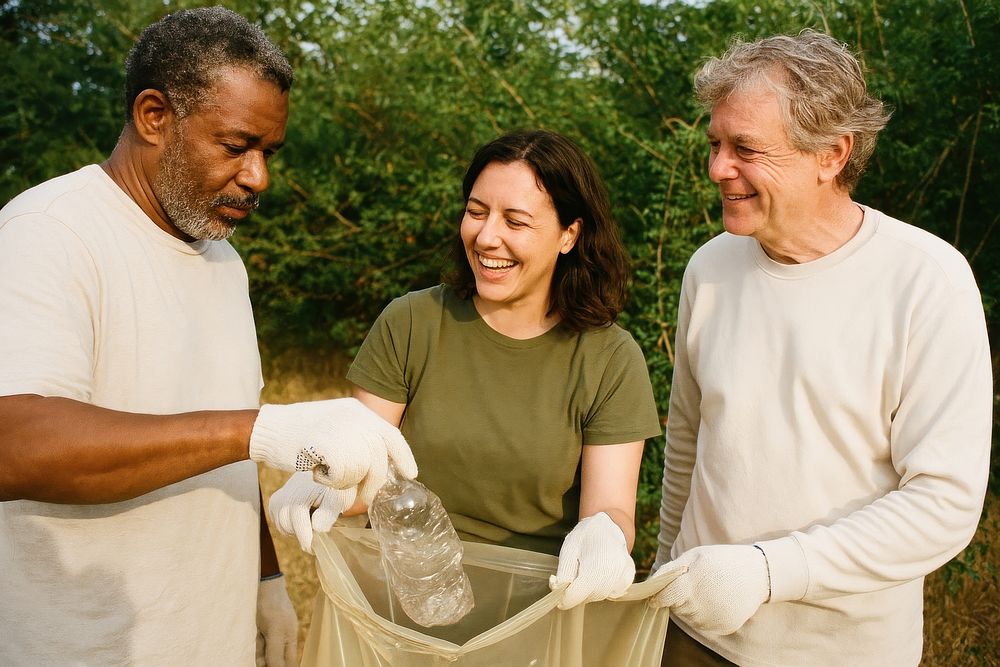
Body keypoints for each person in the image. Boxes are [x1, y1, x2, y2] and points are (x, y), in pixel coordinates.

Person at [0, 7, 416, 666]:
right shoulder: (49, 233)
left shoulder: (225, 261)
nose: (259, 178)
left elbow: (230, 457)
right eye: (236, 146)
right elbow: (13, 442)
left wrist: (266, 579)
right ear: (153, 116)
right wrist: (259, 427)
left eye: (268, 152)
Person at [648, 30, 992, 666]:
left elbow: (942, 506)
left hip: (841, 652)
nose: (718, 167)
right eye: (716, 144)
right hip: (695, 636)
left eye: (745, 148)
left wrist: (766, 572)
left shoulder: (926, 280)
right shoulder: (711, 267)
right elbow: (689, 441)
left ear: (831, 154)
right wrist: (666, 567)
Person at [269, 128, 662, 609]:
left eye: (515, 221)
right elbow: (363, 469)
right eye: (476, 212)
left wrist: (607, 535)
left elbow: (610, 509)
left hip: (537, 616)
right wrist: (317, 476)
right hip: (404, 601)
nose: (486, 235)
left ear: (568, 235)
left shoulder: (609, 359)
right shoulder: (411, 323)